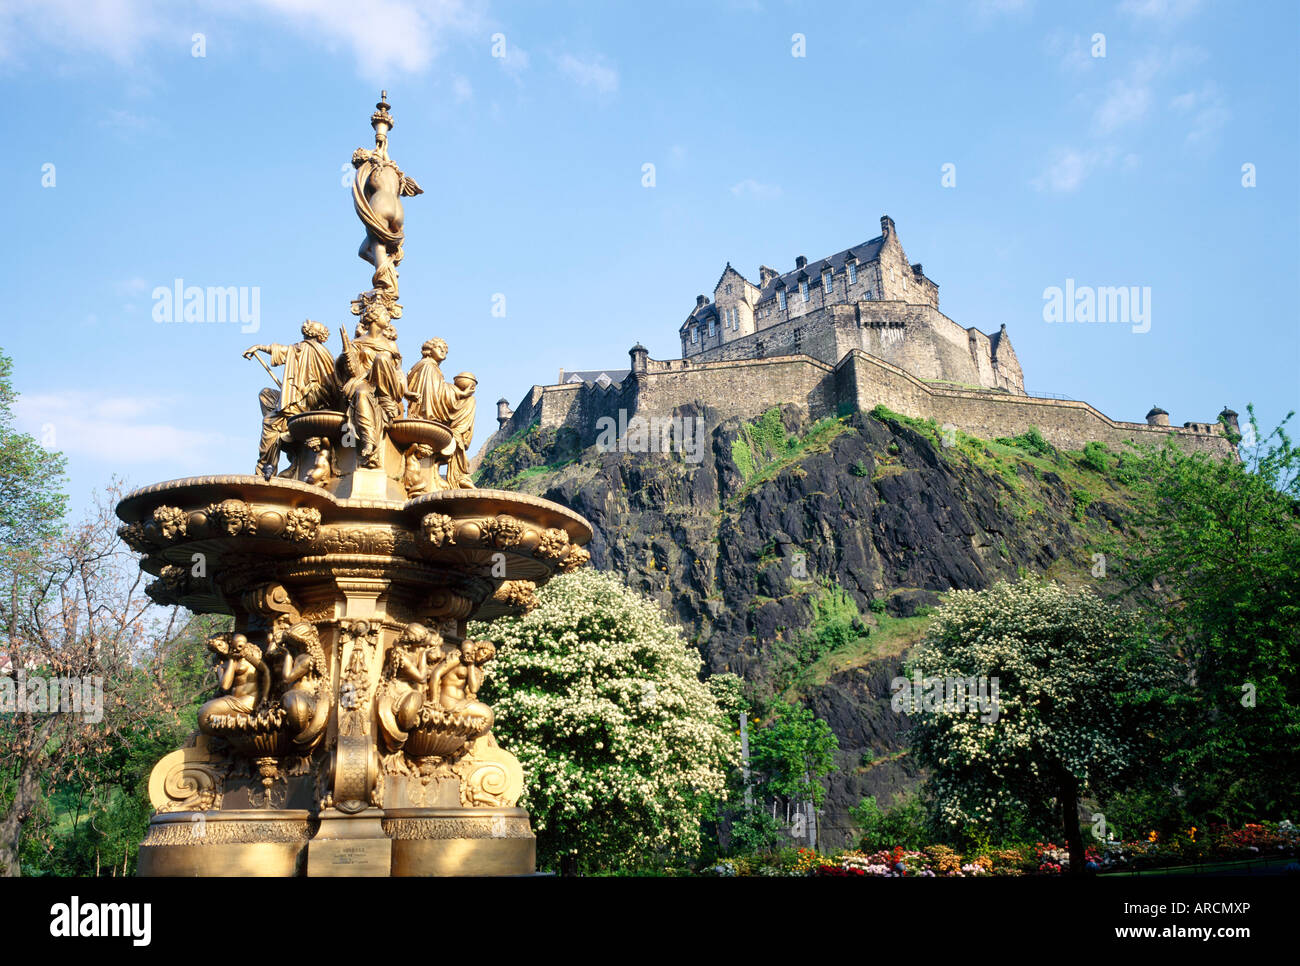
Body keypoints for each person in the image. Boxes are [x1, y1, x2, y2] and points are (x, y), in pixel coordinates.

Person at [244, 320, 336, 477]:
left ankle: (267, 467)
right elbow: (282, 350)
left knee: (269, 424)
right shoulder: (305, 349)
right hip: (301, 399)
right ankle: (283, 424)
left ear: (310, 333)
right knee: (267, 394)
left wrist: (259, 347)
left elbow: (283, 351)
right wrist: (259, 347)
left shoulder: (305, 349)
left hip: (304, 403)